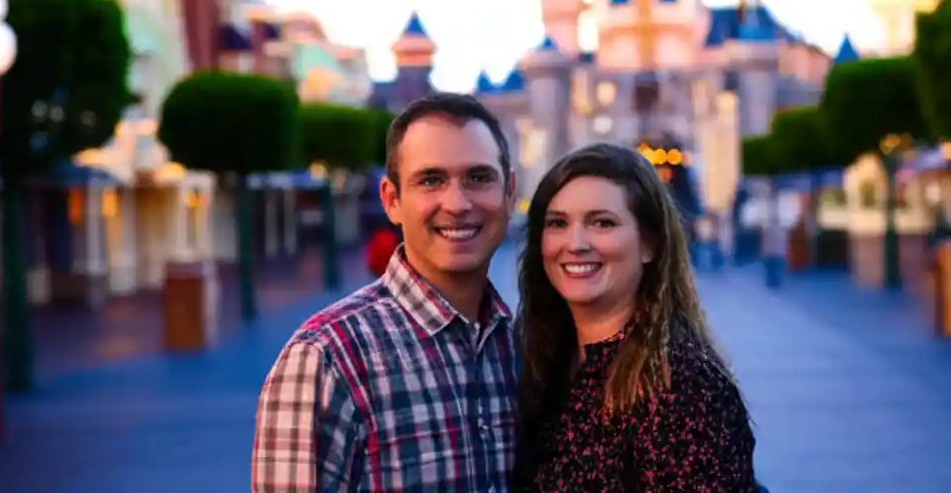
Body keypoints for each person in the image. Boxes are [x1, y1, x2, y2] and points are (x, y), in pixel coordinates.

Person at [252, 93, 518, 492]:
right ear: (392, 201)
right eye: (431, 180)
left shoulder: (520, 349)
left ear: (510, 192)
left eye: (478, 178)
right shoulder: (326, 358)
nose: (457, 203)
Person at [514, 142, 758, 492]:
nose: (576, 243)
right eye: (557, 223)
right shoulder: (537, 360)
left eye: (602, 222)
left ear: (649, 245)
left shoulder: (684, 389)